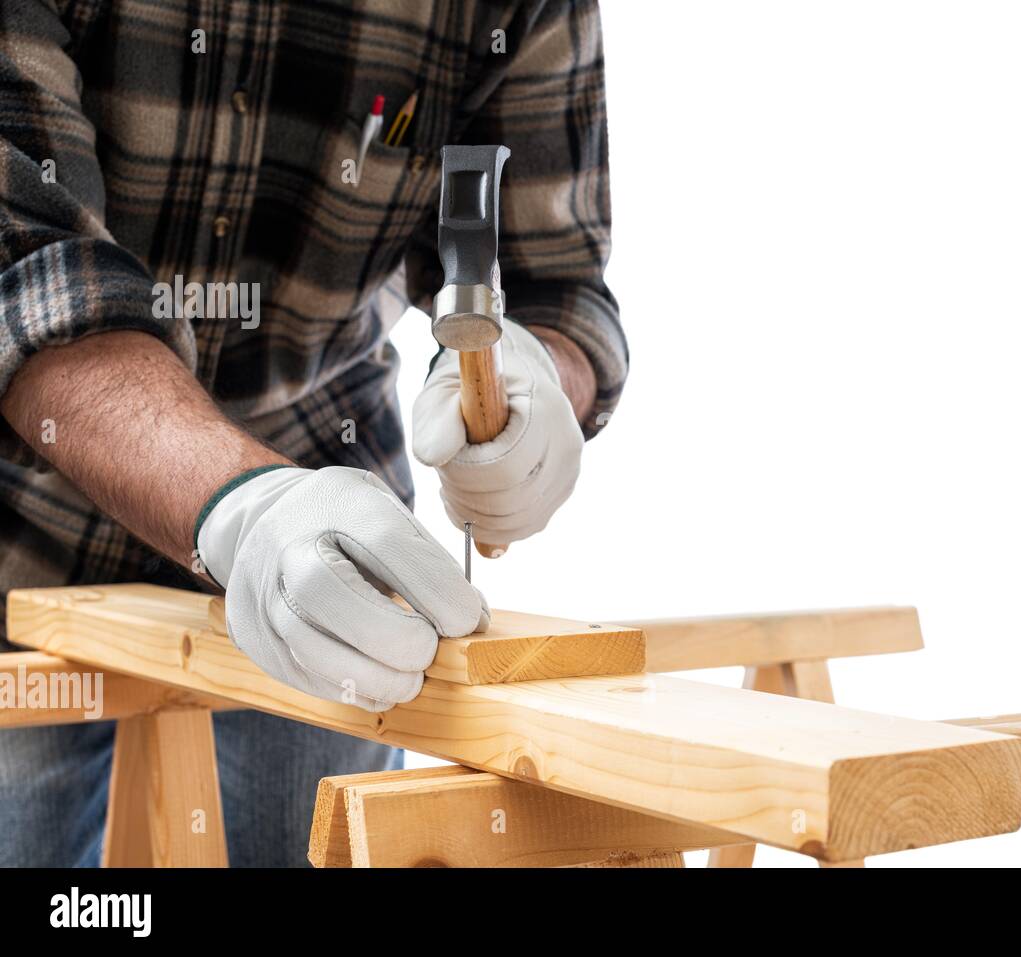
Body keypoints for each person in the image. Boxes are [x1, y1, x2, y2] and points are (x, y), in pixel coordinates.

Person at [0, 0, 624, 866]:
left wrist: (540, 373)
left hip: (329, 562)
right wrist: (237, 504)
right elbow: (21, 261)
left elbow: (553, 281)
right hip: (27, 538)